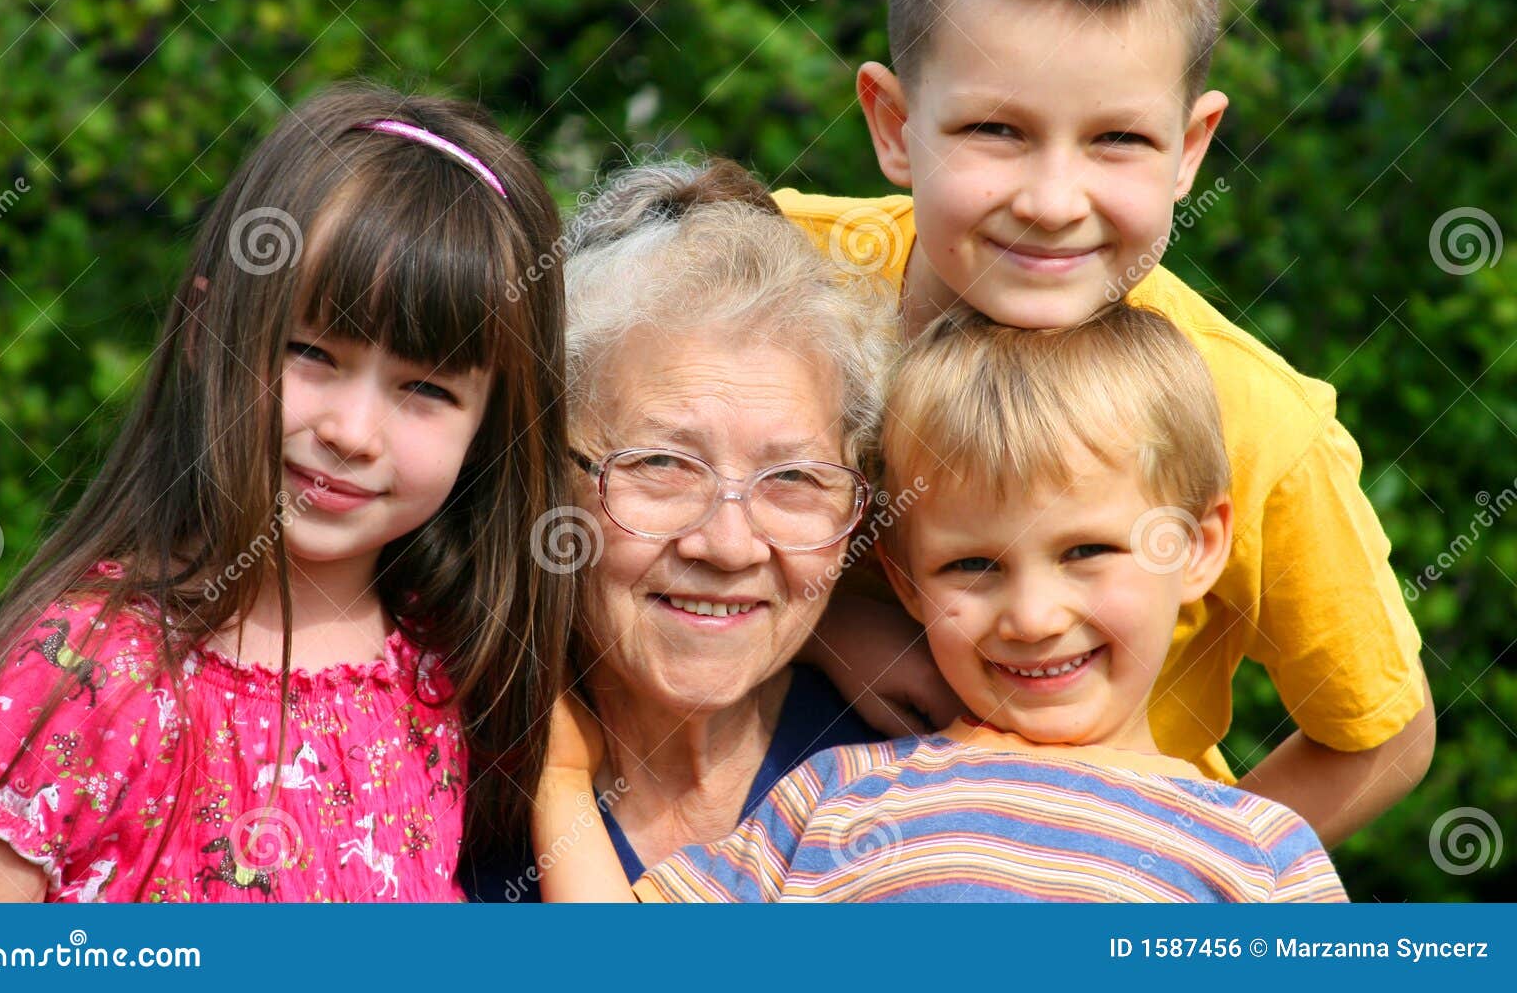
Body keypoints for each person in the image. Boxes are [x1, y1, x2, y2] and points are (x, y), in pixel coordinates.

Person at [776, 0, 1432, 844]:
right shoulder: (770, 286)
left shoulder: (1248, 418)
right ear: (895, 123)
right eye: (995, 131)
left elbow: (1383, 732)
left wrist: (1170, 872)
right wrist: (828, 623)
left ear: (1190, 147)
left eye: (1116, 139)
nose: (1050, 202)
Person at [0, 82, 573, 902]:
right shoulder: (84, 672)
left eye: (428, 389)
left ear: (490, 424)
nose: (353, 431)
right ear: (204, 334)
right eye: (312, 351)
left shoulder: (453, 668)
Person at [536, 303, 1348, 902]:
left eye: (1087, 551)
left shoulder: (1261, 851)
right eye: (972, 565)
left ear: (1200, 545)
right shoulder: (836, 796)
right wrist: (562, 781)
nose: (1031, 616)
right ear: (904, 578)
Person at [461, 158, 901, 901]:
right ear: (543, 478)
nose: (728, 545)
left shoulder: (914, 768)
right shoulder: (425, 789)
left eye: (793, 478)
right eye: (662, 463)